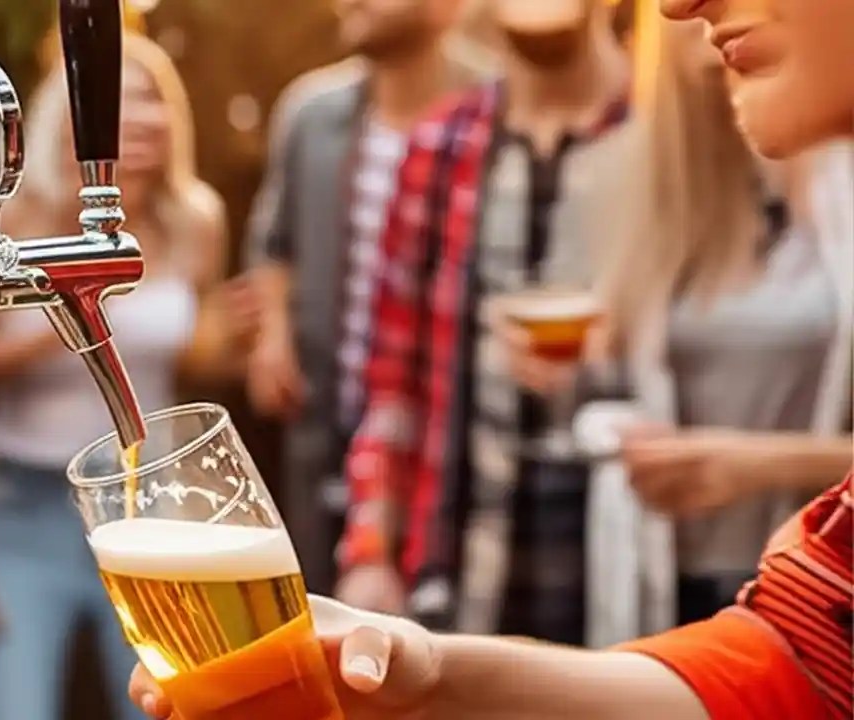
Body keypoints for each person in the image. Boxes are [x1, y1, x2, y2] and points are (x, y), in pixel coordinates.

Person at [129, 0, 853, 716]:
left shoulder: (679, 136)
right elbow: (793, 662)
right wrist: (396, 600)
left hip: (635, 553)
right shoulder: (441, 144)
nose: (678, 8)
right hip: (477, 545)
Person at [0, 33, 239, 720]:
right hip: (24, 508)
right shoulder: (6, 220)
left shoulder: (196, 220)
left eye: (153, 100)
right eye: (118, 102)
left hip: (149, 506)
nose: (141, 118)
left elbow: (197, 357)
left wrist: (255, 332)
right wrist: (70, 323)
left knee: (167, 708)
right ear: (66, 117)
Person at [504, 15, 852, 624]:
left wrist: (759, 465)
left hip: (824, 576)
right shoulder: (617, 179)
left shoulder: (836, 183)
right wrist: (579, 392)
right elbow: (598, 389)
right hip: (665, 579)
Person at [338, 0, 631, 641]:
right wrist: (372, 551)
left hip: (630, 562)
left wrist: (612, 361)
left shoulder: (664, 141)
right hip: (471, 560)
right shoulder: (441, 146)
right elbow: (394, 381)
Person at [243, 0, 489, 600]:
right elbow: (274, 244)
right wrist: (273, 337)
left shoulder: (489, 113)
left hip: (447, 446)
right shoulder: (310, 113)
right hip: (323, 422)